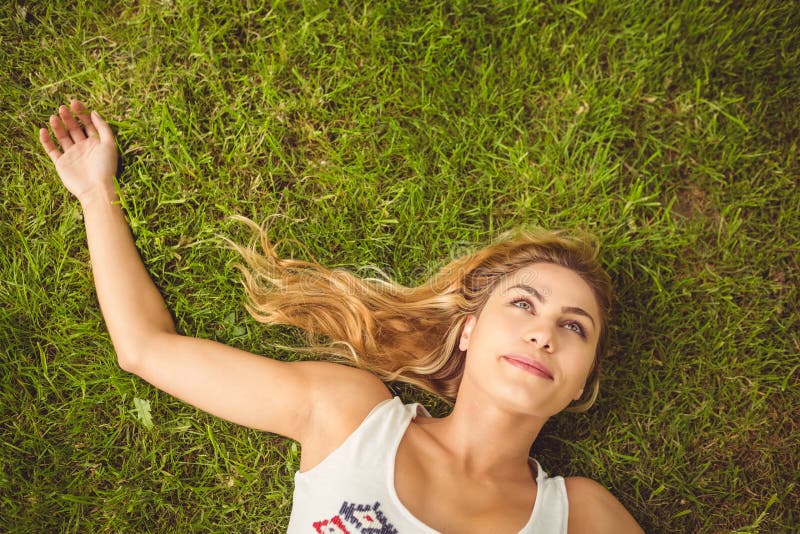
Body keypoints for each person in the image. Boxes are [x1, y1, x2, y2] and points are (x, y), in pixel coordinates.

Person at [39, 100, 643, 533]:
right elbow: (143, 347)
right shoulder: (350, 418)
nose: (544, 333)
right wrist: (97, 194)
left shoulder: (581, 517)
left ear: (582, 380)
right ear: (468, 329)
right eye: (522, 303)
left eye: (573, 327)